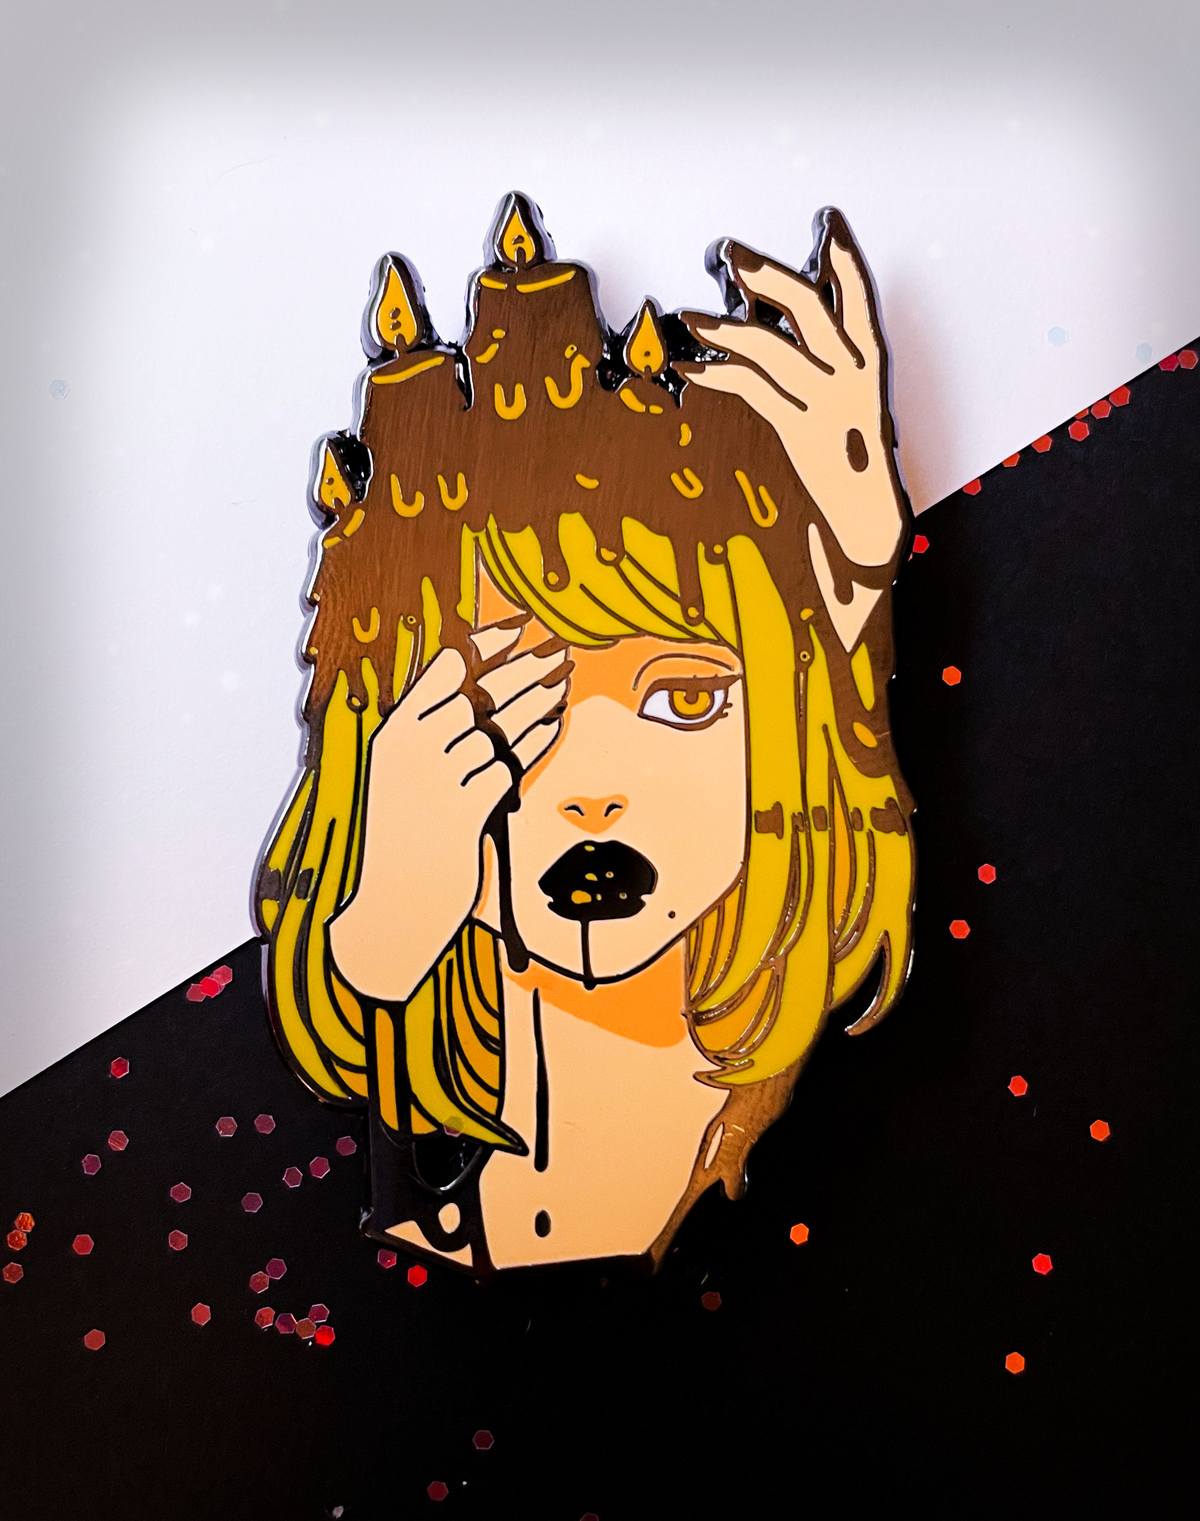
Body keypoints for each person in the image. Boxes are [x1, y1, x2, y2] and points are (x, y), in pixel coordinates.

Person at [255, 192, 915, 1275]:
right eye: (513, 705)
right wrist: (376, 934)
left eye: (686, 702)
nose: (593, 790)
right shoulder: (406, 1232)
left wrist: (860, 599)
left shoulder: (846, 1182)